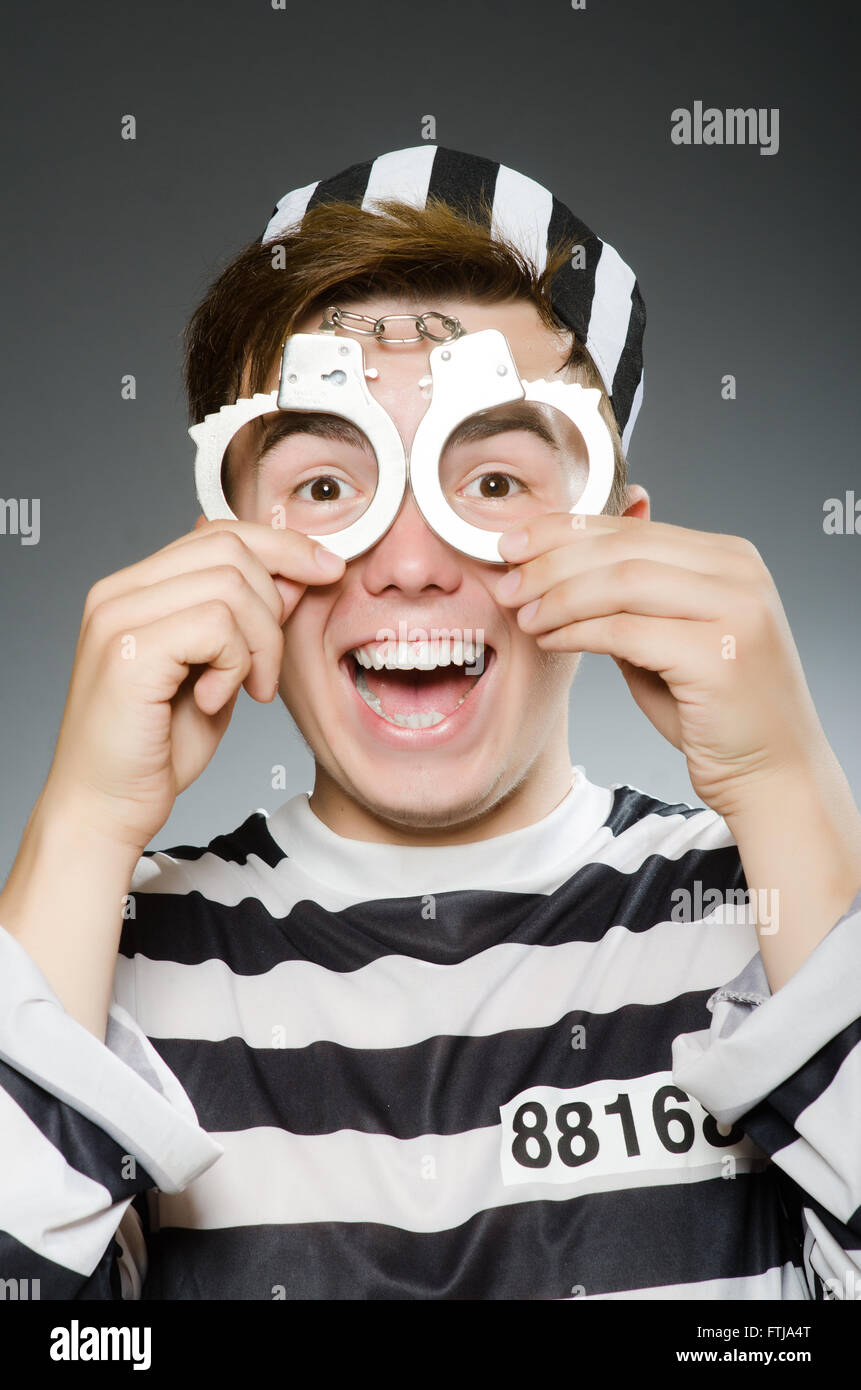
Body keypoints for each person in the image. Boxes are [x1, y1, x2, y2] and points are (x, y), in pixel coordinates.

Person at [1, 146, 859, 1301]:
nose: (409, 563)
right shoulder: (118, 958)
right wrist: (82, 824)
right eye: (325, 487)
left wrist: (786, 784)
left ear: (623, 540)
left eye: (493, 482)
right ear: (226, 553)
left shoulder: (759, 931)